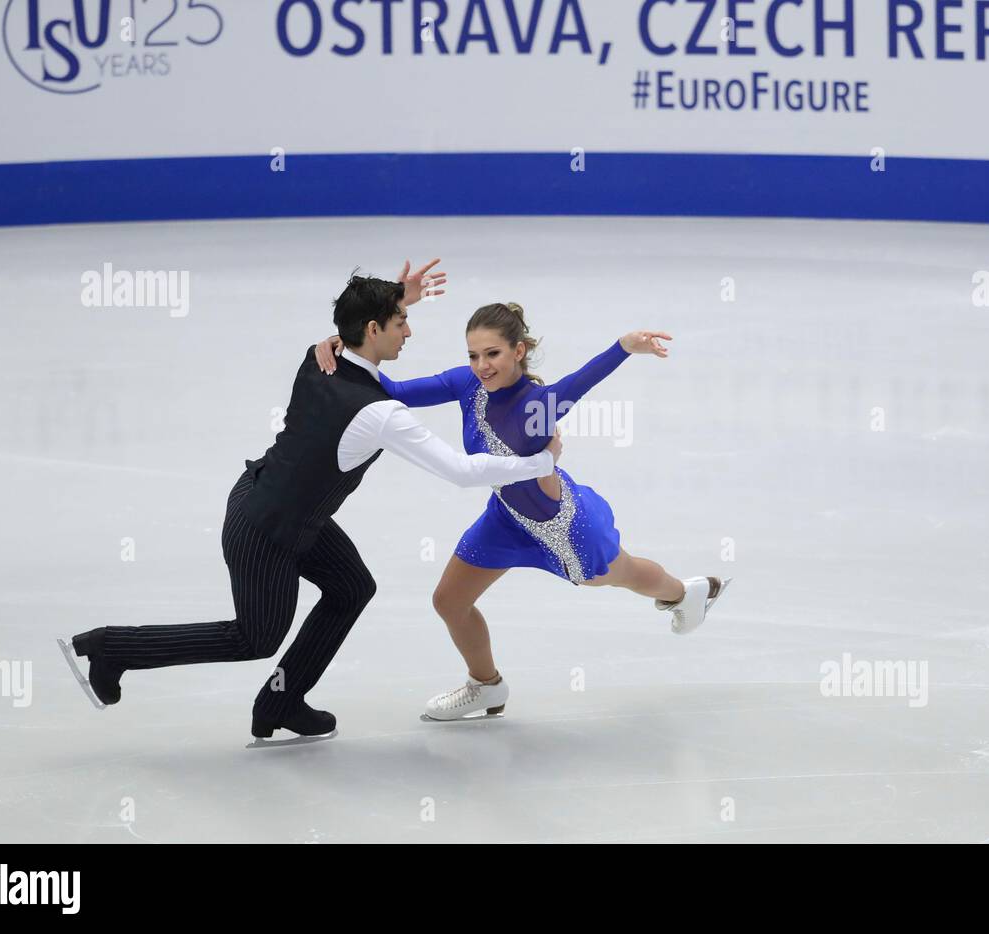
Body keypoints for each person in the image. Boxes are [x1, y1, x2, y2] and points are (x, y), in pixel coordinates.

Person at [60, 262, 563, 744]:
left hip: (277, 503)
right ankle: (110, 648)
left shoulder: (321, 354)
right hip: (269, 530)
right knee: (253, 639)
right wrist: (539, 464)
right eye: (401, 321)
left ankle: (281, 702)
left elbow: (339, 337)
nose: (409, 332)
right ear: (372, 328)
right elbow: (458, 470)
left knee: (351, 587)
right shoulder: (380, 412)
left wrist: (394, 297)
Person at [315, 301, 730, 721]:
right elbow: (392, 391)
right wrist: (345, 350)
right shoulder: (466, 384)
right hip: (506, 518)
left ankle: (686, 593)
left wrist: (622, 347)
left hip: (561, 528)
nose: (481, 365)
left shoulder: (539, 405)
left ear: (518, 351)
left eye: (492, 354)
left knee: (622, 573)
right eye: (474, 355)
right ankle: (486, 687)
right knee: (449, 601)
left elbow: (581, 381)